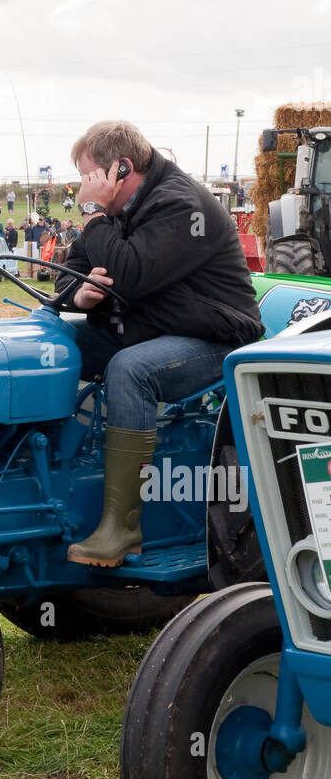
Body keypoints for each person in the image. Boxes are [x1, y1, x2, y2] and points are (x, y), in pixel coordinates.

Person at [55, 120, 262, 567]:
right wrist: (79, 292)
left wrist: (93, 213)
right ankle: (50, 485)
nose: (82, 188)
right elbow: (69, 271)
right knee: (53, 347)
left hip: (213, 338)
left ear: (121, 168)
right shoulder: (114, 209)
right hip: (148, 329)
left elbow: (130, 272)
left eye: (89, 175)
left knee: (131, 369)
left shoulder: (181, 205)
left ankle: (122, 527)